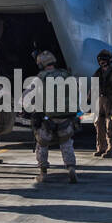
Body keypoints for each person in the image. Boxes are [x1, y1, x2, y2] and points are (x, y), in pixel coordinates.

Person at [31, 50, 79, 184]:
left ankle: (43, 172)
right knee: (66, 143)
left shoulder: (39, 78)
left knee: (42, 144)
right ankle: (70, 168)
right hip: (66, 117)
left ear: (41, 64)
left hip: (47, 118)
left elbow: (26, 97)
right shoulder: (66, 75)